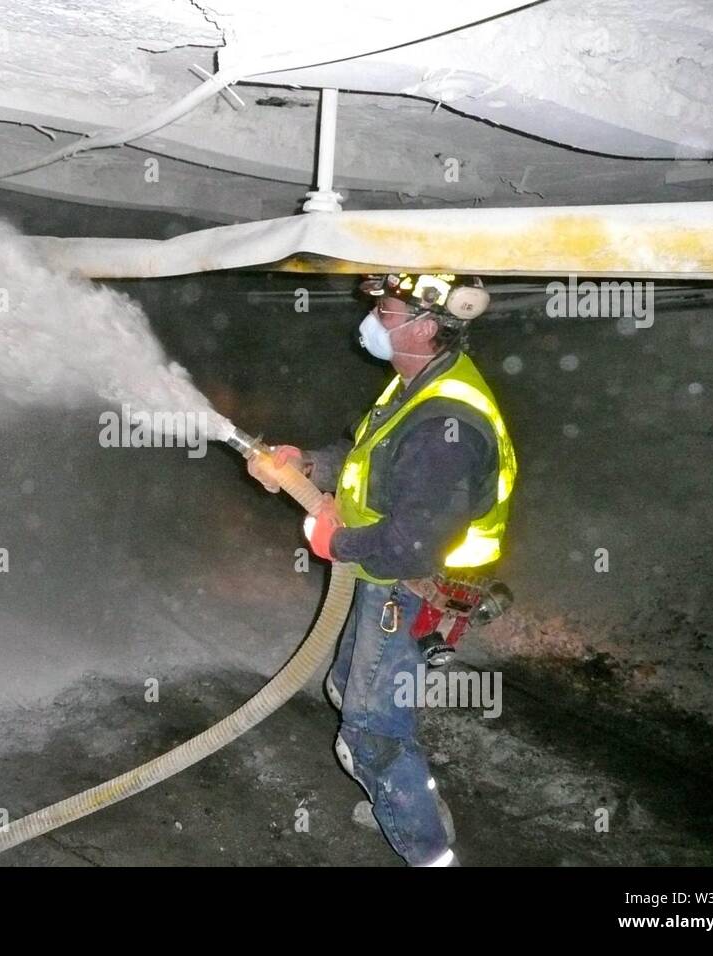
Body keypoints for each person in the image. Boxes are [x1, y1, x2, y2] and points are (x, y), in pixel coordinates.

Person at [248, 272, 517, 866]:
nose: (373, 322)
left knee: (370, 731)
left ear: (424, 327)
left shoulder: (445, 424)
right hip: (388, 582)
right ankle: (405, 800)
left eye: (387, 312)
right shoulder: (416, 387)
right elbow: (368, 460)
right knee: (347, 689)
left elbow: (410, 545)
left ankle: (429, 854)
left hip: (409, 586)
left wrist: (335, 542)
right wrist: (308, 464)